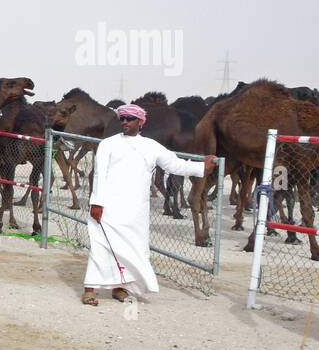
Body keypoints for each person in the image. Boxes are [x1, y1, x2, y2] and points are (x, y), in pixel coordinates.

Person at [82, 103, 217, 305]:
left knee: (131, 249)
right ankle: (89, 289)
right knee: (102, 246)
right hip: (109, 206)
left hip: (136, 209)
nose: (125, 122)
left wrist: (202, 166)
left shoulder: (151, 146)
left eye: (129, 118)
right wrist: (97, 203)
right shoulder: (108, 144)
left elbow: (174, 164)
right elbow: (100, 175)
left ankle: (120, 288)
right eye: (122, 118)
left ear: (140, 122)